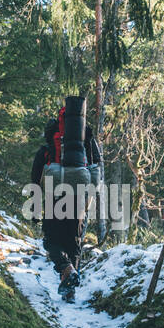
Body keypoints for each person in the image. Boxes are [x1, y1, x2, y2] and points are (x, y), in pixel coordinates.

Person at [30, 107, 102, 303]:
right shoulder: (86, 148)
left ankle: (66, 269)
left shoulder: (47, 151)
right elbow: (97, 170)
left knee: (51, 240)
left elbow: (35, 180)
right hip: (80, 199)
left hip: (56, 197)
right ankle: (70, 291)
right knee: (74, 243)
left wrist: (35, 208)